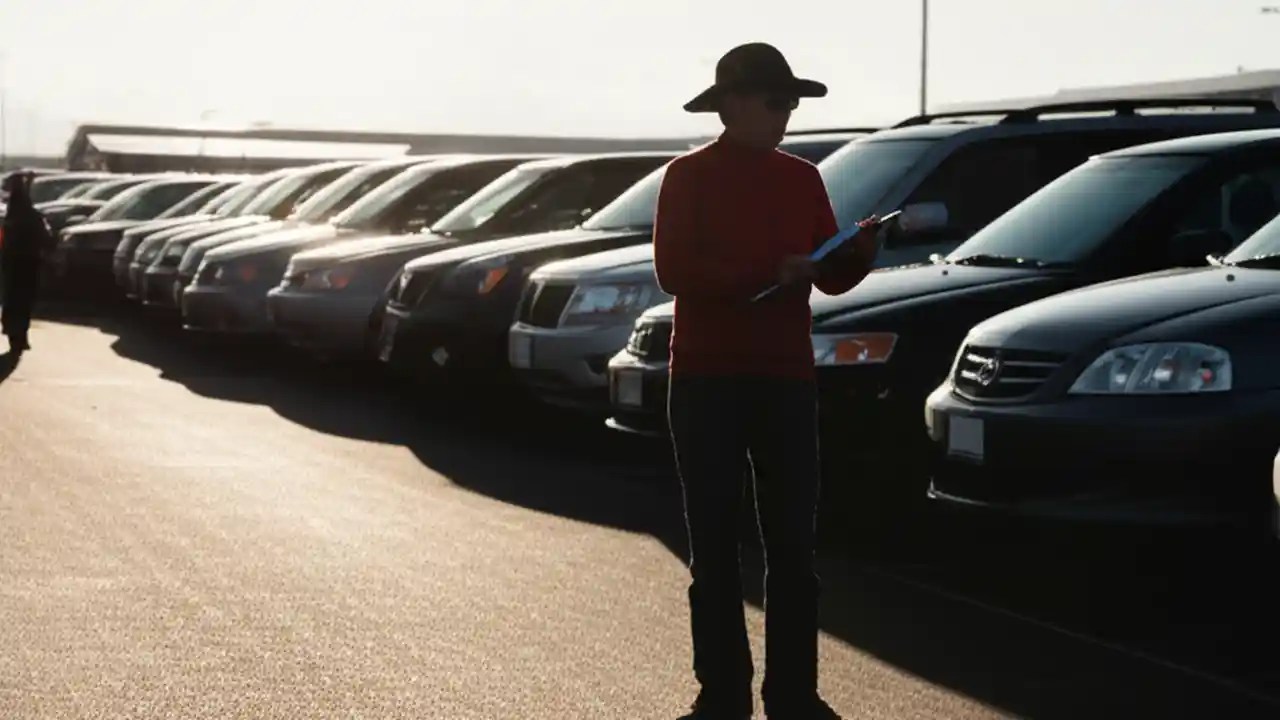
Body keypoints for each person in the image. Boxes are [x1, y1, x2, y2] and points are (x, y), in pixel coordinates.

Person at [654, 43, 882, 720]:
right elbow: (675, 272)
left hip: (786, 379)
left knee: (792, 549)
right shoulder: (687, 176)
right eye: (776, 102)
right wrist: (766, 274)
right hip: (705, 380)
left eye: (792, 103)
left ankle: (793, 694)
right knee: (716, 547)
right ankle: (721, 691)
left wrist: (857, 254)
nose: (787, 115)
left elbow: (828, 270)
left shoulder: (802, 179)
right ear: (730, 105)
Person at [2, 171, 53, 353]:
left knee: (12, 297)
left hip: (12, 262)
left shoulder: (10, 217)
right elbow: (45, 237)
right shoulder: (32, 216)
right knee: (24, 299)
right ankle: (20, 334)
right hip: (29, 262)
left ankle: (14, 332)